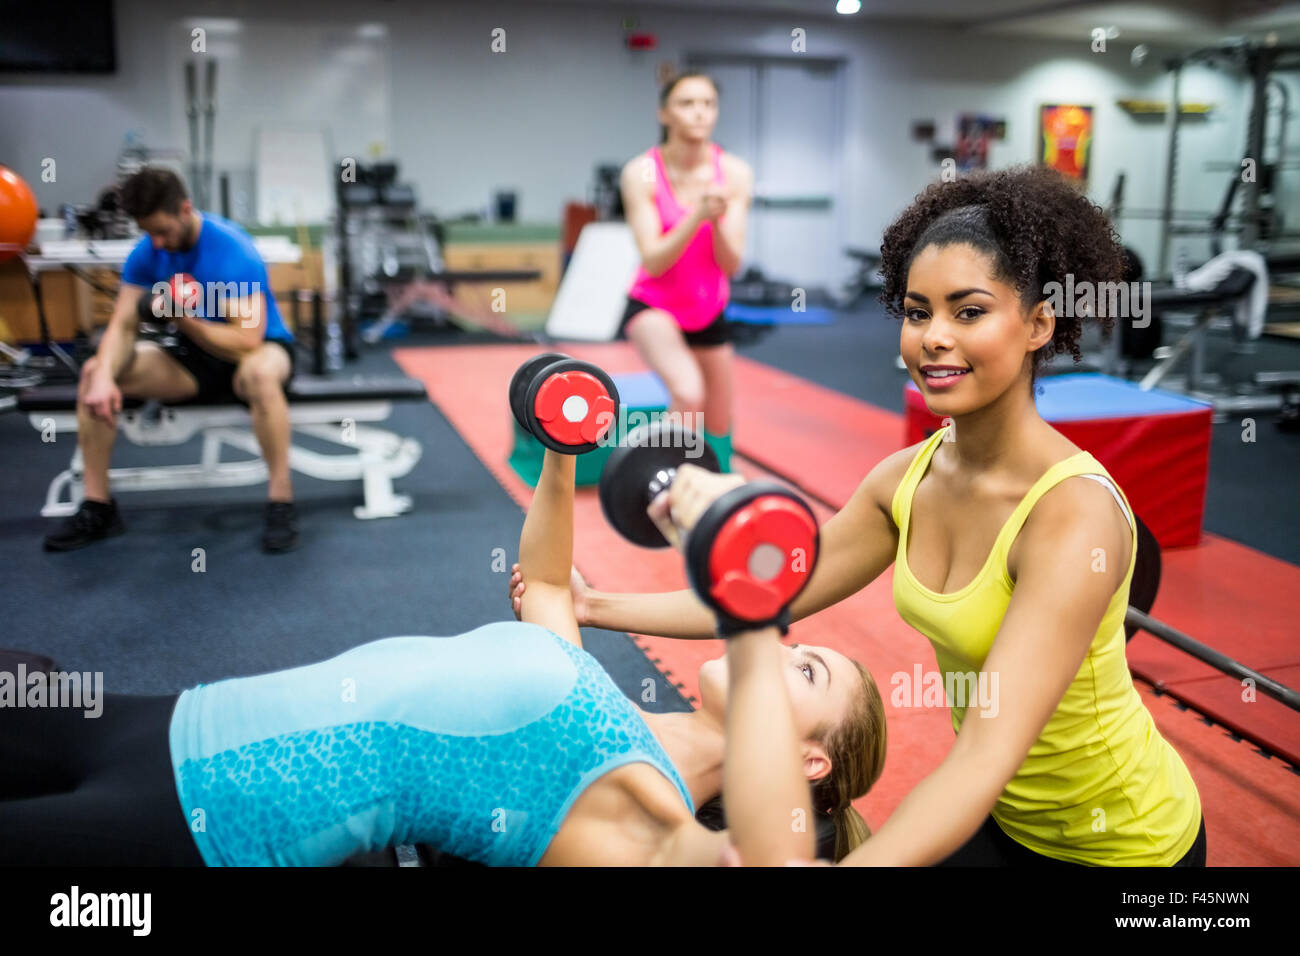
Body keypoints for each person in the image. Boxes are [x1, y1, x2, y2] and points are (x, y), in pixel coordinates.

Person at [513, 165, 1207, 867]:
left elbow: (983, 755)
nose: (933, 337)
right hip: (1004, 818)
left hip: (1127, 841)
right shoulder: (904, 482)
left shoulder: (1072, 517)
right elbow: (769, 592)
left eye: (968, 312)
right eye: (916, 311)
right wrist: (596, 604)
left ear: (1037, 323)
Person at [1, 407, 886, 866]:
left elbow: (762, 858)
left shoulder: (648, 822)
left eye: (802, 667)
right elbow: (544, 585)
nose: (779, 650)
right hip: (177, 718)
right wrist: (565, 445)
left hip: (210, 828)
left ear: (809, 762)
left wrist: (748, 607)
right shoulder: (601, 698)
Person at [42, 167, 300, 555]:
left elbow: (247, 339)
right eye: (149, 233)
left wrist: (182, 316)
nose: (158, 244)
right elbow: (123, 325)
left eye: (164, 231)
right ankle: (98, 506)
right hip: (193, 360)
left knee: (261, 373)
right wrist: (105, 376)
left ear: (185, 208)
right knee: (97, 369)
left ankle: (281, 501)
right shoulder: (147, 254)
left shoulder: (232, 248)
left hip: (260, 351)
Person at [618, 72, 752, 472]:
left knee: (717, 422)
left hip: (708, 310)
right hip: (652, 306)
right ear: (665, 113)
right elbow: (654, 259)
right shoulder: (641, 172)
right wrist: (698, 216)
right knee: (688, 393)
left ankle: (717, 497)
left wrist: (720, 219)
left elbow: (731, 265)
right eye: (687, 103)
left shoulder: (734, 172)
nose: (699, 113)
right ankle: (654, 479)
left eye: (708, 104)